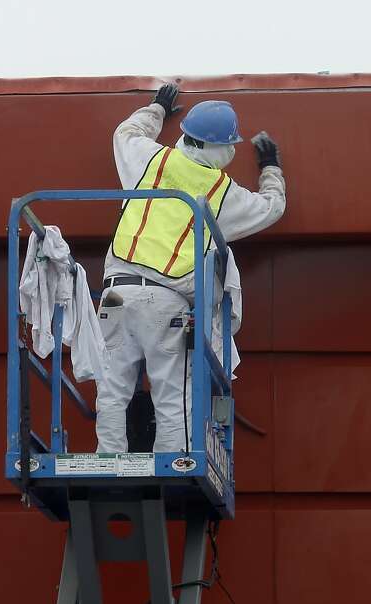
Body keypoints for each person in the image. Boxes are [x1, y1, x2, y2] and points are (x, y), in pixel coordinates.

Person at [95, 83, 286, 454]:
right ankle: (171, 461)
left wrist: (157, 109)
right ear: (217, 147)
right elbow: (271, 207)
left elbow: (126, 133)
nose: (233, 150)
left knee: (112, 386)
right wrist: (270, 167)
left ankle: (108, 457)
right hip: (165, 302)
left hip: (116, 292)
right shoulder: (221, 192)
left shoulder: (150, 159)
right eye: (230, 144)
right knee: (173, 393)